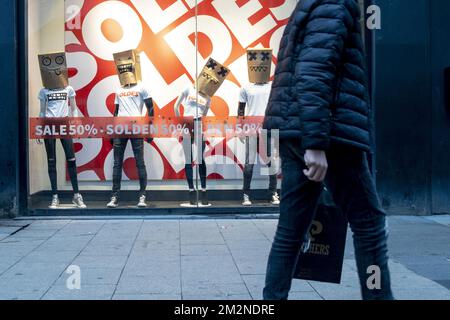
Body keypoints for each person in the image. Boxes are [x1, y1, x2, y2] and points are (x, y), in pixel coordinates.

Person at [262, 0, 394, 300]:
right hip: (331, 135)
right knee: (369, 223)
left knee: (291, 231)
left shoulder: (313, 4)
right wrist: (316, 144)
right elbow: (314, 71)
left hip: (305, 130)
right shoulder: (334, 3)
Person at [38, 52, 86, 209]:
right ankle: (55, 196)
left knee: (71, 159)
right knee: (51, 161)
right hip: (49, 125)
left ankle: (76, 195)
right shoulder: (44, 91)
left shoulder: (68, 89)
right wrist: (39, 129)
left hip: (64, 123)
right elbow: (42, 111)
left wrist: (77, 123)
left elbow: (74, 108)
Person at [107, 50, 153, 208]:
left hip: (136, 127)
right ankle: (114, 196)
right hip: (120, 128)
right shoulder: (118, 90)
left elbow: (151, 109)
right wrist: (112, 131)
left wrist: (149, 129)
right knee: (117, 163)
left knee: (140, 162)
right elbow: (115, 111)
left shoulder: (142, 87)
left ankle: (142, 195)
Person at [239, 48, 279, 206]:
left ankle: (273, 193)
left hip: (268, 127)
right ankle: (246, 194)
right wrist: (240, 130)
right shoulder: (245, 88)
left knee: (271, 162)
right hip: (251, 129)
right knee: (249, 163)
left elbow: (276, 107)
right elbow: (240, 112)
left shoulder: (272, 87)